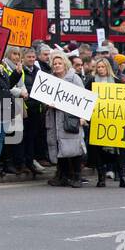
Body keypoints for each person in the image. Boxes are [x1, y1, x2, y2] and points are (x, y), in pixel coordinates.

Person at [44, 53, 87, 188]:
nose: (57, 66)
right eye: (55, 64)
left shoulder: (74, 78)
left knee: (74, 147)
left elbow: (84, 98)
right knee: (59, 147)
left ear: (65, 64)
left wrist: (83, 117)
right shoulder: (50, 79)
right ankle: (62, 175)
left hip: (70, 119)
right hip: (55, 118)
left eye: (59, 63)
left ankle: (77, 176)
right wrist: (47, 103)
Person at [87, 58, 125, 188]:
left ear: (108, 68)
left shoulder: (117, 82)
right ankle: (101, 177)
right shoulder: (91, 81)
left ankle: (122, 176)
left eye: (102, 67)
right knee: (98, 151)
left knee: (119, 151)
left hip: (114, 122)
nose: (100, 69)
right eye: (98, 67)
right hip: (97, 121)